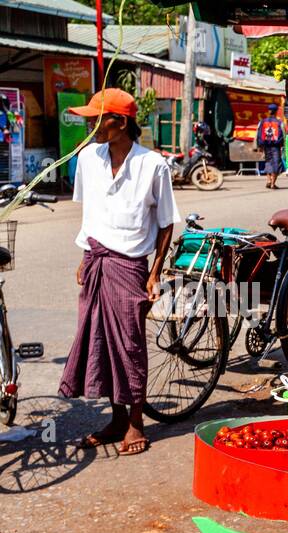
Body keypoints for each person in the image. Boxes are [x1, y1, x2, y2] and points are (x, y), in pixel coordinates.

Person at [58, 88, 177, 457]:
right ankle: (116, 418)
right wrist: (83, 257)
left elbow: (166, 223)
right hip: (96, 260)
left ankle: (137, 423)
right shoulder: (88, 160)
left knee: (128, 346)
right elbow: (90, 213)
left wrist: (154, 273)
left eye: (97, 119)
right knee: (100, 343)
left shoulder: (152, 165)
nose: (90, 125)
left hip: (130, 266)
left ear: (121, 122)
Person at [256, 103, 287, 189]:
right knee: (276, 164)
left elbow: (258, 134)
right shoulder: (279, 122)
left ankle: (269, 180)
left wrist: (259, 146)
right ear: (277, 111)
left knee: (268, 162)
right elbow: (284, 135)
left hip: (266, 146)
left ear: (269, 111)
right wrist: (284, 146)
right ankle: (273, 183)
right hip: (276, 147)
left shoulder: (262, 122)